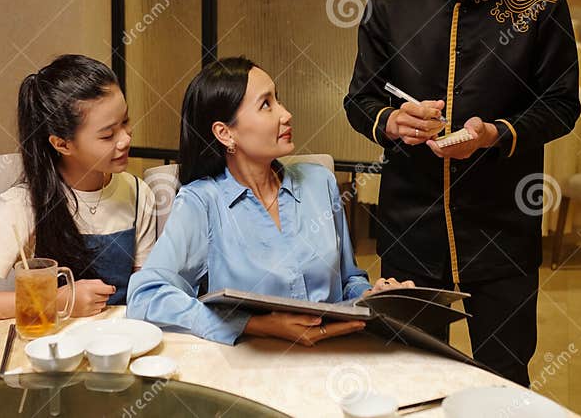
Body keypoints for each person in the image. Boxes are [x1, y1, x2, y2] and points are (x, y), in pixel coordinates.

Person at [343, 0, 580, 385]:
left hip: (502, 230)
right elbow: (359, 100)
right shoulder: (389, 5)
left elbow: (562, 105)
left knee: (503, 376)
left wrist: (495, 134)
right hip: (411, 227)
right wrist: (392, 122)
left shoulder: (538, 5)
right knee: (411, 375)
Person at [127, 57, 411, 346]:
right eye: (266, 104)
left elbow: (350, 279)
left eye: (279, 100)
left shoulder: (319, 182)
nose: (286, 114)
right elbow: (146, 296)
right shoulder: (201, 201)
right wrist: (254, 325)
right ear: (225, 133)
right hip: (254, 369)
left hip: (334, 358)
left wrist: (371, 295)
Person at [0, 54, 157, 319]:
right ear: (62, 144)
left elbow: (144, 292)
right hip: (49, 349)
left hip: (120, 346)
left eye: (125, 122)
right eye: (107, 135)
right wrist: (53, 301)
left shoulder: (138, 193)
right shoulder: (25, 203)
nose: (125, 139)